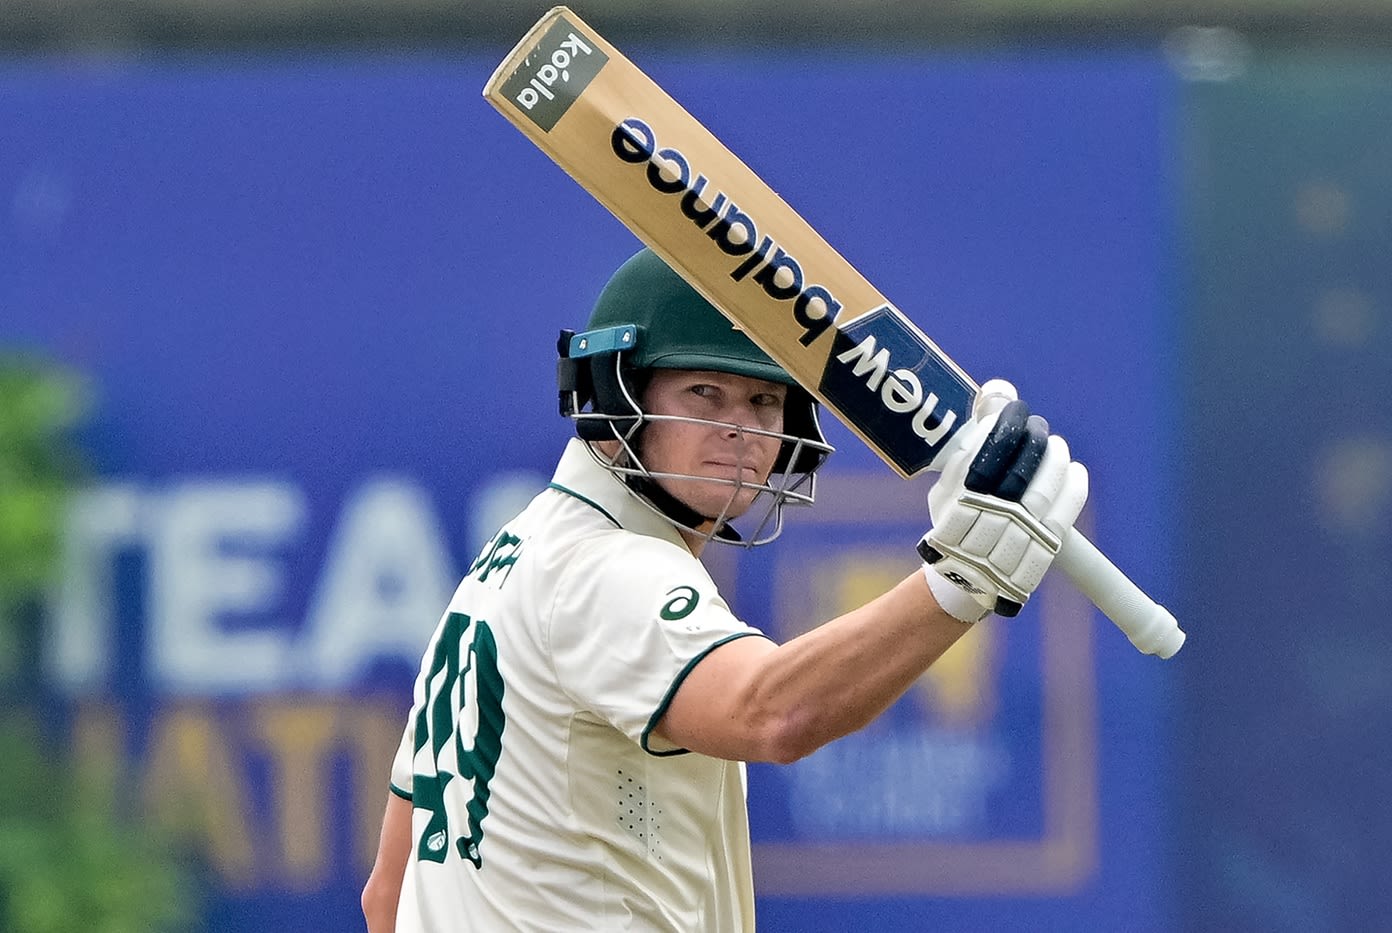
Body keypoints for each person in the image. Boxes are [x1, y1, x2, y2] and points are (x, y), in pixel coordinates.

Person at [361, 247, 1088, 932]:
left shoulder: (507, 563)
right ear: (613, 393)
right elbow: (772, 710)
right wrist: (960, 580)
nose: (741, 429)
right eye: (704, 393)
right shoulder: (612, 570)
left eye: (764, 400)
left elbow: (387, 895)